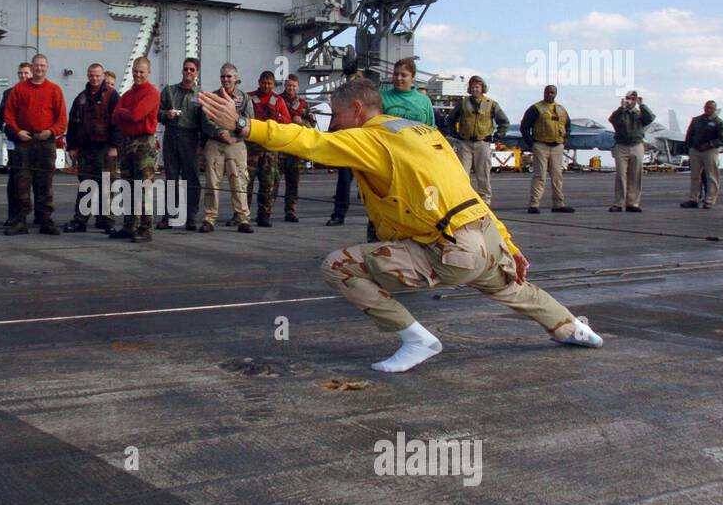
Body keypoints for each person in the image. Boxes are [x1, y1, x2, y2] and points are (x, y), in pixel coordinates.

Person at [198, 76, 603, 372]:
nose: (334, 125)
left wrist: (245, 126)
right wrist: (510, 246)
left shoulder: (368, 137)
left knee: (337, 266)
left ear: (357, 111)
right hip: (482, 235)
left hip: (449, 249)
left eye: (337, 116)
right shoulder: (423, 131)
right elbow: (468, 191)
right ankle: (573, 329)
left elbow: (311, 143)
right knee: (518, 290)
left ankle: (417, 339)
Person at [3, 54, 66, 235]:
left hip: (46, 143)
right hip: (24, 142)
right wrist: (17, 131)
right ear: (32, 66)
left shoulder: (55, 90)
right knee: (21, 183)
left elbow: (61, 118)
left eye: (42, 66)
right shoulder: (19, 89)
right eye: (36, 65)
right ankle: (20, 220)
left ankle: (45, 219)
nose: (39, 68)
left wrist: (51, 132)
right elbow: (9, 115)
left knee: (45, 183)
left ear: (47, 67)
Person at [63, 62, 120, 233]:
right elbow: (72, 123)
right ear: (88, 76)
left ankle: (106, 220)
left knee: (107, 184)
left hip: (105, 148)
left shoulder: (112, 96)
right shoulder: (81, 98)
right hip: (86, 148)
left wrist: (115, 146)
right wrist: (71, 146)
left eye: (98, 75)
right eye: (92, 75)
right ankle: (80, 220)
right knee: (86, 185)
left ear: (103, 76)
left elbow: (118, 122)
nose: (95, 78)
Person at [109, 56, 160, 243]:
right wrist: (125, 114)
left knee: (143, 186)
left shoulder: (152, 93)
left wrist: (123, 112)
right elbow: (115, 118)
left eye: (141, 72)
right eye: (135, 71)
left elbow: (137, 115)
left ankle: (146, 228)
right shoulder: (128, 95)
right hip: (127, 142)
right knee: (128, 185)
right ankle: (130, 226)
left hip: (144, 144)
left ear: (148, 73)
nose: (137, 75)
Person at [199, 63, 254, 234]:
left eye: (229, 76)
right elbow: (205, 121)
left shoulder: (245, 98)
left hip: (236, 143)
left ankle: (242, 218)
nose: (226, 79)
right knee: (212, 182)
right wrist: (218, 132)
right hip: (216, 142)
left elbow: (250, 121)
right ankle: (209, 219)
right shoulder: (213, 97)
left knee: (239, 181)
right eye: (223, 76)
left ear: (236, 78)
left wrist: (235, 134)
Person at [157, 58, 203, 230]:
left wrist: (201, 144)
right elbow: (157, 112)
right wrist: (165, 115)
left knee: (192, 179)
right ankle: (169, 215)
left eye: (192, 70)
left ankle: (191, 216)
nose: (188, 72)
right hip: (171, 135)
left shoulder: (200, 95)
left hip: (190, 137)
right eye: (186, 69)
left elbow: (204, 122)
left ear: (196, 72)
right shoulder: (169, 91)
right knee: (171, 177)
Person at [450, 75, 509, 205]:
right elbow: (451, 119)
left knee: (483, 174)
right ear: (469, 89)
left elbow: (504, 122)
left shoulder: (491, 104)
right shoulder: (463, 103)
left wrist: (497, 136)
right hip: (465, 143)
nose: (475, 89)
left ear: (482, 88)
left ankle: (485, 200)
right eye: (472, 87)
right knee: (462, 173)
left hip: (483, 143)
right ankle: (463, 198)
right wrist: (454, 133)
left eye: (477, 87)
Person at [245, 71, 290, 227]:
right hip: (251, 148)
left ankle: (264, 215)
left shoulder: (278, 101)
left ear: (273, 84)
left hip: (270, 149)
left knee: (269, 183)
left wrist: (276, 118)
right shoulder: (248, 98)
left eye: (269, 83)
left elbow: (287, 122)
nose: (266, 86)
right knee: (246, 183)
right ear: (259, 82)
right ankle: (243, 215)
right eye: (264, 83)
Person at [0, 61, 33, 232]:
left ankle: (40, 216)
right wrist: (10, 131)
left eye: (26, 73)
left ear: (32, 74)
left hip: (36, 143)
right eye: (21, 73)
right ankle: (14, 216)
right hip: (16, 143)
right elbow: (0, 116)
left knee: (40, 182)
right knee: (15, 181)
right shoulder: (9, 93)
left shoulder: (37, 91)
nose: (23, 76)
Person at [521, 85, 573, 214]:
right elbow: (524, 127)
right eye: (548, 92)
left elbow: (568, 126)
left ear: (556, 94)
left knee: (557, 176)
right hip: (541, 145)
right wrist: (532, 144)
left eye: (552, 93)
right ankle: (534, 204)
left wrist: (564, 140)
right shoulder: (536, 108)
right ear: (544, 93)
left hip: (557, 146)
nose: (550, 94)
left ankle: (558, 204)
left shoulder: (561, 110)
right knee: (539, 176)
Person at [607, 90, 654, 212]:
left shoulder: (639, 114)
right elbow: (612, 120)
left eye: (633, 98)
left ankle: (633, 203)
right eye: (628, 98)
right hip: (621, 146)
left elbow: (650, 118)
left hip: (636, 145)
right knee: (621, 175)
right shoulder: (620, 113)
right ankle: (619, 203)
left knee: (635, 175)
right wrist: (621, 108)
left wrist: (642, 105)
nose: (630, 100)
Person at [279, 74, 316, 222]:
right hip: (279, 147)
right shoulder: (277, 100)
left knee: (293, 181)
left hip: (294, 148)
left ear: (298, 87)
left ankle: (290, 211)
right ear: (285, 86)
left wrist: (302, 122)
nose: (291, 88)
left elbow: (312, 123)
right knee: (271, 182)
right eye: (289, 85)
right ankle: (265, 212)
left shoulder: (303, 104)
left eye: (293, 86)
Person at [680, 100, 723, 209]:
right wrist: (688, 147)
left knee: (711, 176)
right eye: (706, 107)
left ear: (715, 109)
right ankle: (694, 199)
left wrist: (709, 144)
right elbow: (690, 134)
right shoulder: (696, 120)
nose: (708, 109)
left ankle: (709, 200)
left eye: (711, 108)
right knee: (694, 176)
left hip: (710, 151)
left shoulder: (719, 123)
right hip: (695, 151)